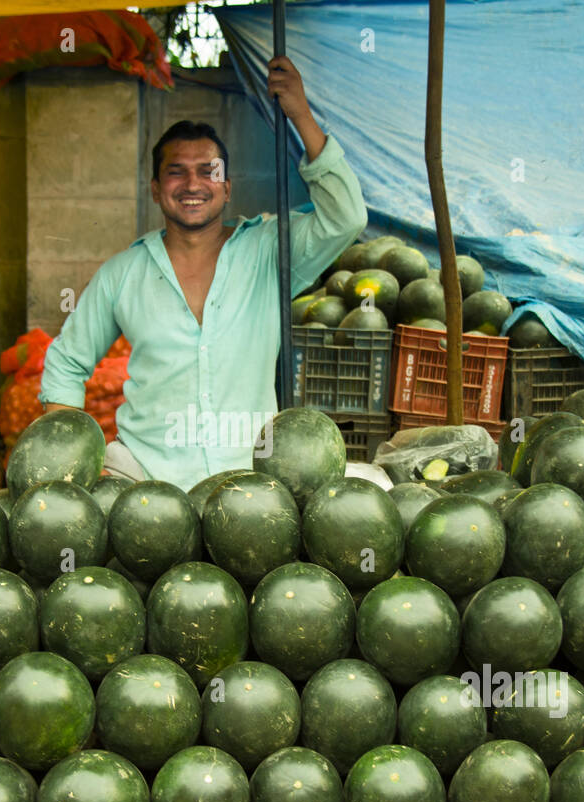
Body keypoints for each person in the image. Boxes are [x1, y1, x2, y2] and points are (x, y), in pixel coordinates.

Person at [39, 56, 368, 489]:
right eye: (176, 173)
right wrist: (69, 468)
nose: (192, 184)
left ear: (227, 188)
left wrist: (300, 114)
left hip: (253, 483)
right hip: (147, 486)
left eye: (208, 172)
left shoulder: (270, 251)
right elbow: (65, 364)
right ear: (156, 189)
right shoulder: (123, 274)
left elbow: (346, 218)